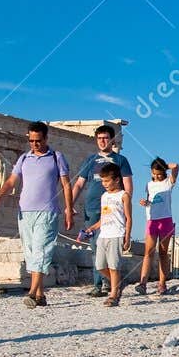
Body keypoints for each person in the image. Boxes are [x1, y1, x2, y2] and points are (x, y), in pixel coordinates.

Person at [0, 121, 71, 308]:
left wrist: (69, 209)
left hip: (48, 211)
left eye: (38, 140)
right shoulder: (24, 158)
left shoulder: (56, 157)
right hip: (25, 211)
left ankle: (32, 292)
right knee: (32, 252)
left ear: (46, 138)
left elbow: (66, 185)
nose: (35, 144)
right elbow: (11, 180)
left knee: (42, 251)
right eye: (31, 140)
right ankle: (41, 295)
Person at [71, 124, 132, 298]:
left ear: (112, 140)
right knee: (95, 246)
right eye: (99, 138)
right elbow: (79, 184)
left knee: (108, 248)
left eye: (105, 138)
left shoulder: (121, 160)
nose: (102, 141)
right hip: (92, 209)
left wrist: (125, 202)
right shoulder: (90, 160)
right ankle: (99, 284)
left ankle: (110, 284)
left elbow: (127, 184)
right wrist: (69, 205)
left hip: (114, 209)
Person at [83, 163, 130, 306]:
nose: (104, 184)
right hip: (103, 235)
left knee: (114, 266)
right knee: (100, 266)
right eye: (103, 181)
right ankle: (118, 284)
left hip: (117, 234)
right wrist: (92, 227)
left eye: (107, 181)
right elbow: (104, 217)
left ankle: (114, 295)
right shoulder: (104, 196)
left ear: (116, 180)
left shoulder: (124, 195)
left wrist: (127, 237)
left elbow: (128, 217)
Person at [137, 158, 178, 297]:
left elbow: (176, 166)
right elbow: (150, 201)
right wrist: (145, 202)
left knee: (163, 252)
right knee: (148, 251)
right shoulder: (148, 184)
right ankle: (143, 283)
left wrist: (164, 166)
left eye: (160, 173)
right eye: (155, 173)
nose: (157, 176)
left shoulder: (168, 182)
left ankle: (162, 283)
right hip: (152, 220)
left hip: (165, 220)